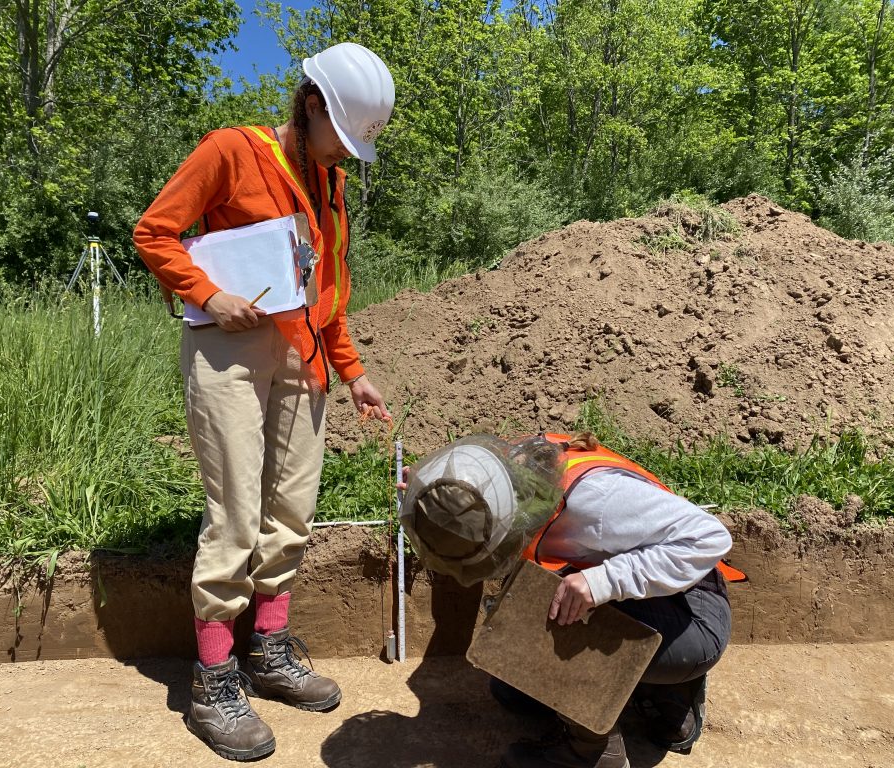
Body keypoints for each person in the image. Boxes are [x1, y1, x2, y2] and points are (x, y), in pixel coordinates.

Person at [134, 42, 395, 762]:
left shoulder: (330, 185)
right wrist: (208, 294)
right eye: (341, 137)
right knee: (237, 514)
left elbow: (327, 291)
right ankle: (214, 679)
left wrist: (352, 372)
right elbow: (154, 233)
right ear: (312, 106)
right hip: (229, 351)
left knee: (291, 510)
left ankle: (268, 652)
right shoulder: (229, 152)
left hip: (301, 360)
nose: (343, 155)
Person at [399, 431, 736, 768]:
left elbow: (710, 537)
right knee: (512, 691)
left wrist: (601, 581)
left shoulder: (597, 500)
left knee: (533, 618)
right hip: (653, 604)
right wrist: (432, 506)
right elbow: (468, 504)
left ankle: (592, 752)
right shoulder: (511, 477)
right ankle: (661, 693)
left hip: (691, 618)